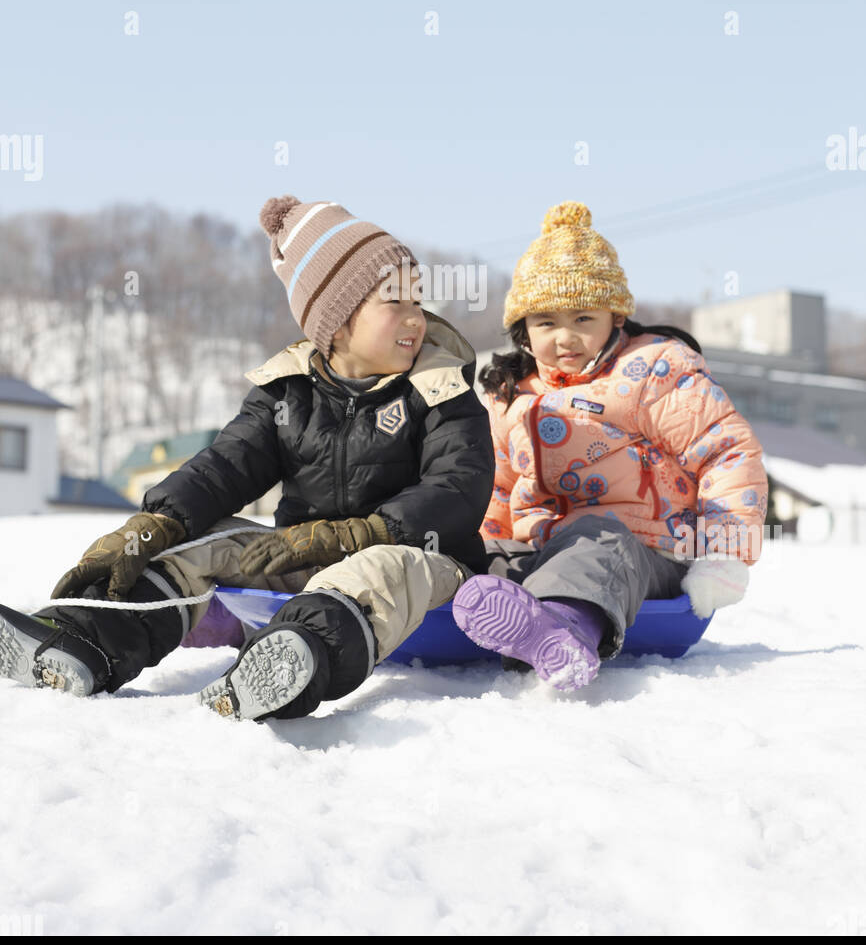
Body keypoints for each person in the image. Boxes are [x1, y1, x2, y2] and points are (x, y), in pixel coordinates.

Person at [0, 195, 495, 722]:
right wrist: (159, 521)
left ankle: (296, 661)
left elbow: (458, 486)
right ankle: (84, 640)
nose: (416, 318)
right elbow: (228, 462)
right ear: (337, 319)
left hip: (427, 570)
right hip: (305, 559)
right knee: (202, 542)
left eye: (418, 300)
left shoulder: (441, 389)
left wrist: (362, 533)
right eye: (396, 303)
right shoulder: (287, 392)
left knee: (383, 565)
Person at [451, 202, 768, 691]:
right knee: (473, 556)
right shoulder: (510, 393)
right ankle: (480, 614)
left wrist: (723, 553)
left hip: (648, 551)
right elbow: (496, 487)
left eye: (583, 317)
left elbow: (725, 451)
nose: (565, 337)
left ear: (614, 316)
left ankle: (563, 630)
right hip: (543, 549)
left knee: (598, 537)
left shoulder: (652, 371)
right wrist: (476, 546)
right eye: (546, 322)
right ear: (523, 329)